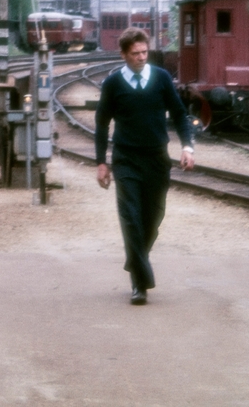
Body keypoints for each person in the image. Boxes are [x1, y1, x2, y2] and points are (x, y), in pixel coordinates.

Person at [95, 27, 194, 306]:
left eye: (144, 52)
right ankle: (140, 282)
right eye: (135, 53)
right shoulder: (113, 84)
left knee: (153, 218)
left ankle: (135, 260)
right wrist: (102, 162)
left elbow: (179, 114)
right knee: (131, 218)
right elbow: (102, 124)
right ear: (124, 54)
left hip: (156, 160)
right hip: (126, 160)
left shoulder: (161, 78)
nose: (140, 57)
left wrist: (187, 147)